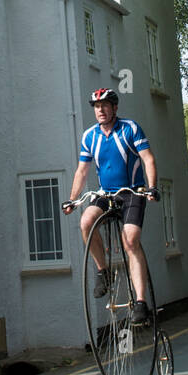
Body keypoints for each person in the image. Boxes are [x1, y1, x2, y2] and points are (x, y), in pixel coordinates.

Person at [63, 88, 159, 324]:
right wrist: (73, 199)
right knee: (86, 222)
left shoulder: (130, 129)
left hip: (131, 192)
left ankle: (140, 302)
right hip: (106, 195)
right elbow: (82, 170)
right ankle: (103, 271)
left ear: (115, 108)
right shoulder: (90, 136)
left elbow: (148, 158)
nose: (101, 110)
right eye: (97, 107)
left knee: (130, 240)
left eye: (105, 105)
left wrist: (152, 186)